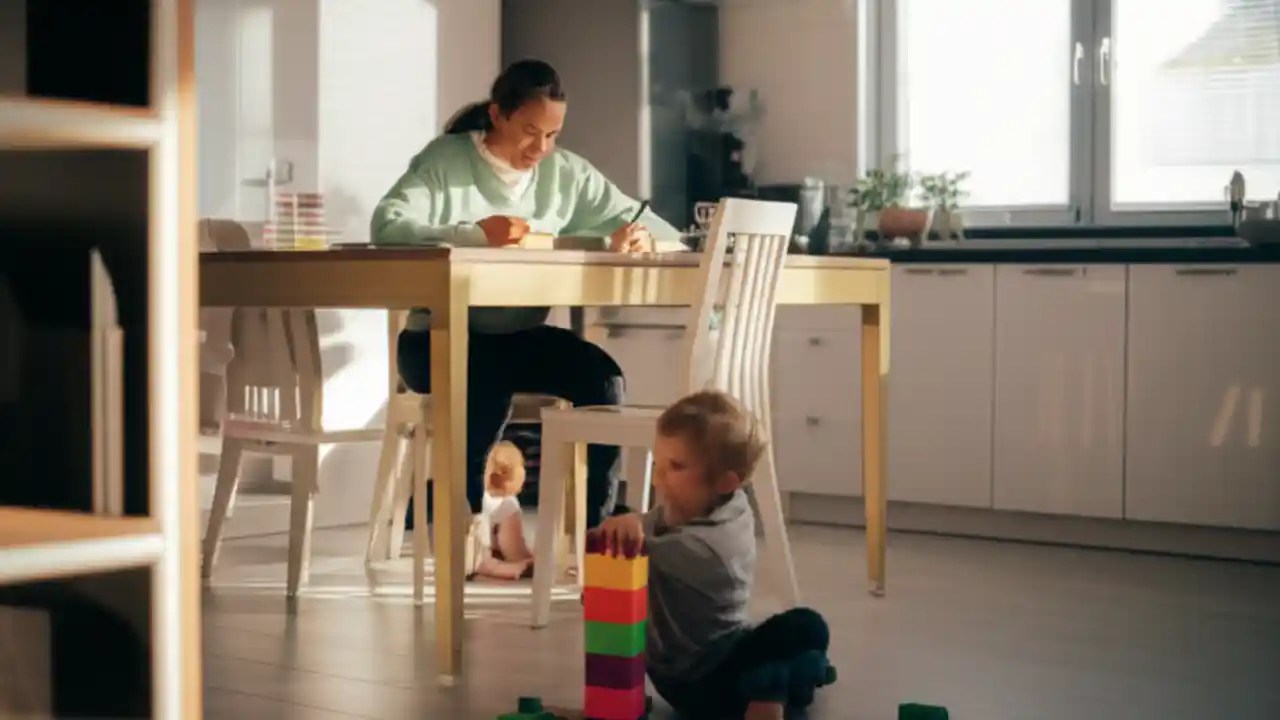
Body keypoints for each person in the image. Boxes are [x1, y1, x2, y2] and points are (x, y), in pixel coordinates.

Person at [371, 59, 681, 579]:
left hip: (517, 338)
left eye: (553, 134)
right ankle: (465, 535)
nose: (541, 148)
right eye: (530, 131)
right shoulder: (446, 160)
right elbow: (387, 224)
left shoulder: (565, 175)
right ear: (497, 115)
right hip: (437, 339)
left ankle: (592, 537)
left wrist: (642, 236)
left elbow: (655, 224)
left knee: (600, 376)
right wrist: (475, 233)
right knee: (481, 379)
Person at [596, 391, 837, 720]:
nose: (660, 477)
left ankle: (782, 687)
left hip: (710, 670)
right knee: (808, 633)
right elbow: (643, 531)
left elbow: (638, 546)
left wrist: (624, 525)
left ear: (725, 483)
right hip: (693, 679)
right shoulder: (693, 505)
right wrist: (628, 523)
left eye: (676, 466)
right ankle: (787, 682)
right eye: (660, 462)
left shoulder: (711, 546)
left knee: (807, 626)